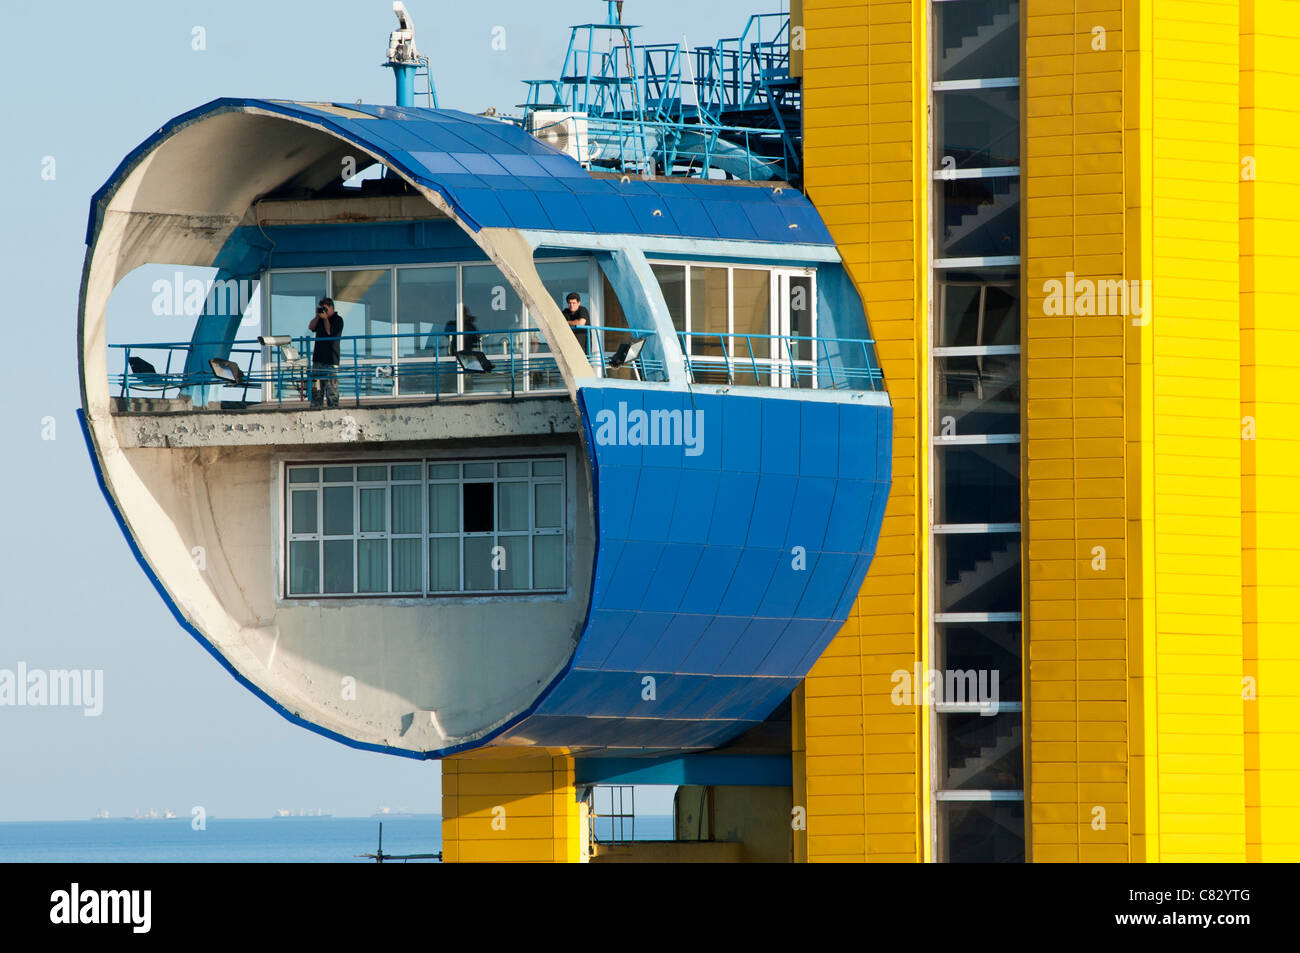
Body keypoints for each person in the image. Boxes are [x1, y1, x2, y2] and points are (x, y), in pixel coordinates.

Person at [308, 297, 344, 408]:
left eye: (325, 308)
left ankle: (333, 408)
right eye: (321, 308)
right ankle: (315, 406)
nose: (323, 311)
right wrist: (317, 316)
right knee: (317, 388)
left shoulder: (338, 320)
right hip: (318, 359)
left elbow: (329, 332)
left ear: (331, 307)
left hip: (330, 359)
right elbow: (311, 327)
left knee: (331, 388)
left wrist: (325, 319)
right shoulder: (319, 319)